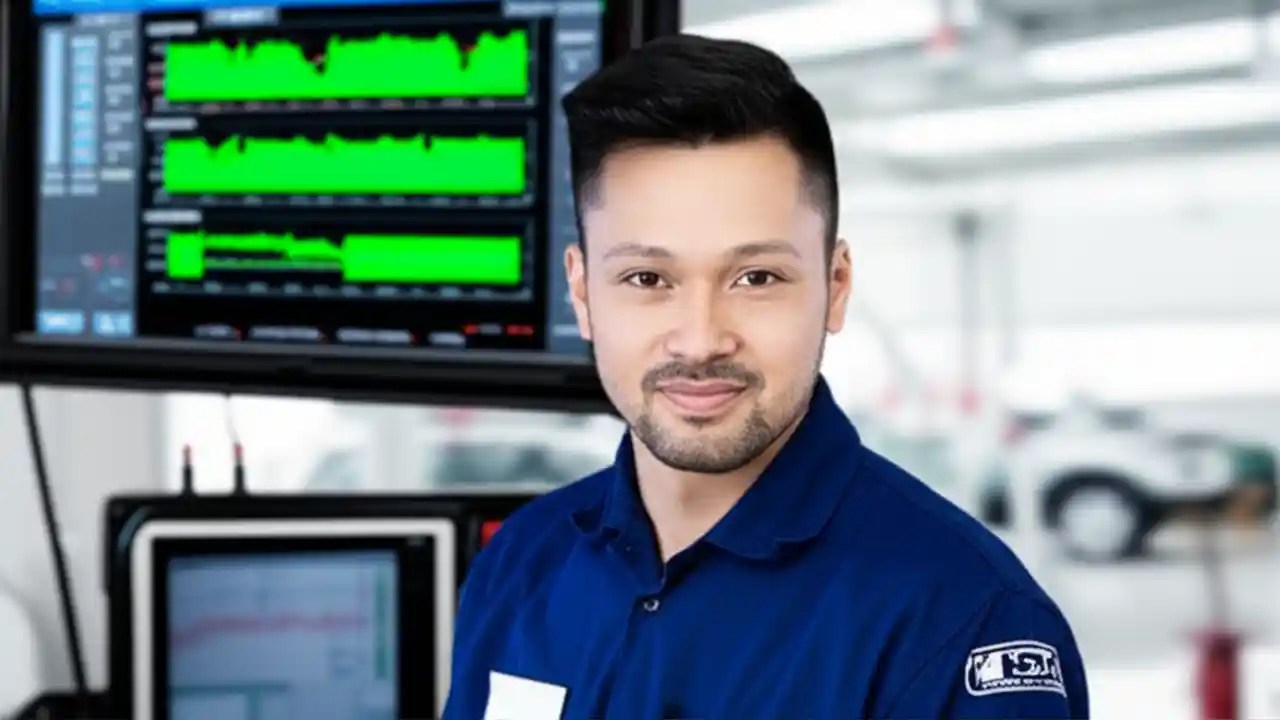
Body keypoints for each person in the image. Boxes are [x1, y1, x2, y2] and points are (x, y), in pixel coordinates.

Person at [443, 34, 1088, 720]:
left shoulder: (963, 620)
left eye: (755, 278)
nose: (700, 340)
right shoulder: (520, 562)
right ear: (581, 293)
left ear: (836, 286)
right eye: (647, 278)